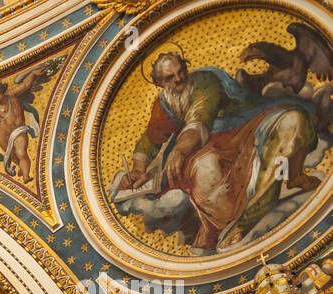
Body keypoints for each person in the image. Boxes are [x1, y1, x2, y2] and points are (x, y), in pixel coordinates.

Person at [124, 51, 320, 250]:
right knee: (202, 172)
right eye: (170, 77)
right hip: (212, 143)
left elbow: (199, 118)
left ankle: (256, 210)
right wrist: (139, 168)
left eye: (181, 71)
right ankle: (221, 225)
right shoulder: (164, 102)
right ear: (159, 83)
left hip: (245, 123)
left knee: (293, 121)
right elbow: (151, 138)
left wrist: (180, 150)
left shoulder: (204, 82)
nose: (179, 78)